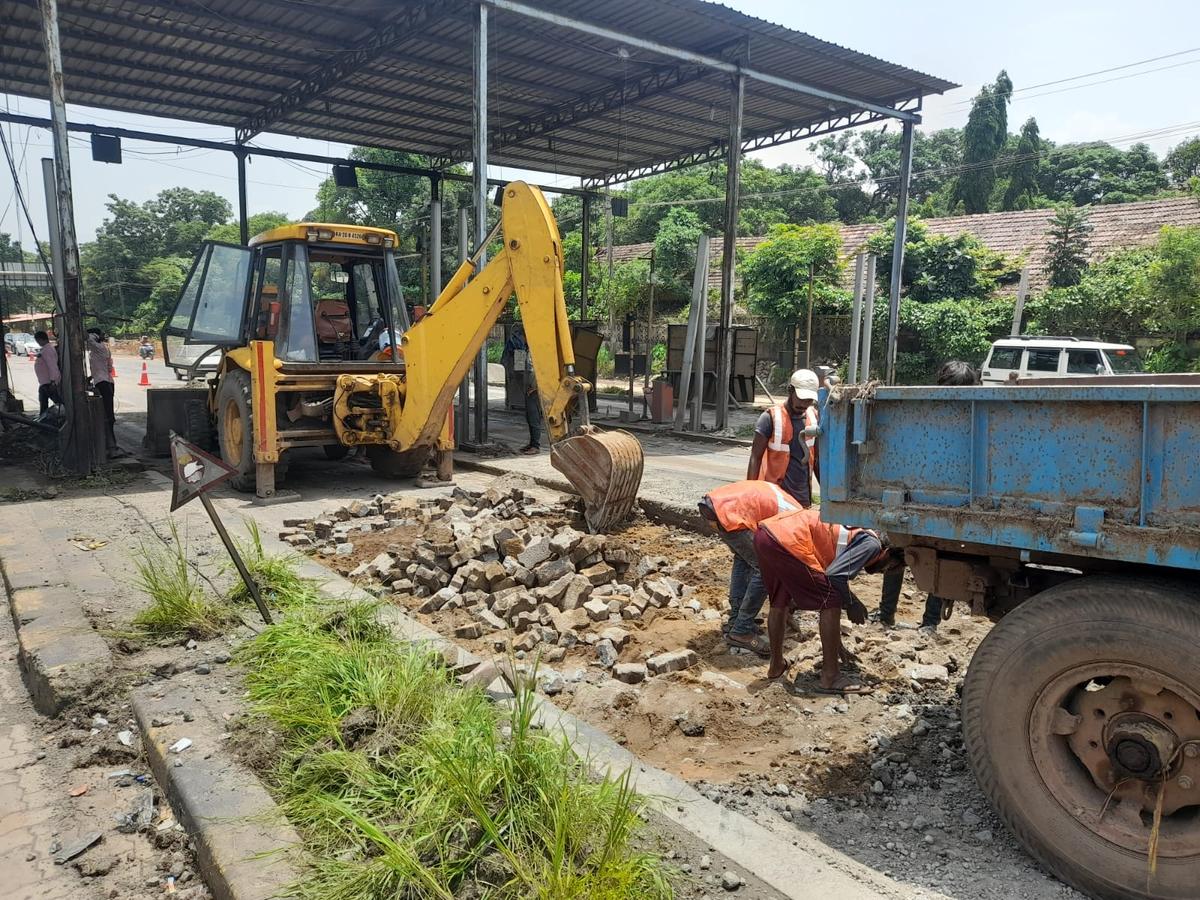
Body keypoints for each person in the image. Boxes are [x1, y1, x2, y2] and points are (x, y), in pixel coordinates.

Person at [877, 360, 980, 632]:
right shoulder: (925, 412)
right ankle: (887, 615)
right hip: (918, 498)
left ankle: (929, 622)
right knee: (898, 553)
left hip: (949, 504)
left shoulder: (975, 418)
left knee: (941, 562)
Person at [756, 508, 904, 693]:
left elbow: (833, 573)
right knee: (832, 599)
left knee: (780, 600)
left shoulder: (858, 532)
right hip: (789, 539)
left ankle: (776, 665)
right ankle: (831, 676)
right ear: (887, 552)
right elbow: (834, 577)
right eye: (890, 567)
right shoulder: (872, 545)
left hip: (766, 534)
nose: (884, 571)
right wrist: (852, 604)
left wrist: (837, 645)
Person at [698, 480, 800, 656]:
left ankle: (736, 621)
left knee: (744, 559)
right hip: (728, 514)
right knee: (767, 569)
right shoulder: (797, 523)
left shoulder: (794, 509)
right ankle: (741, 630)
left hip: (714, 506)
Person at [748, 369, 821, 507]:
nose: (804, 404)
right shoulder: (770, 418)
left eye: (809, 400)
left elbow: (817, 460)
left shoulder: (814, 418)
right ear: (790, 390)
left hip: (802, 499)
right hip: (775, 499)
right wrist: (749, 493)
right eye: (801, 399)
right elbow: (755, 457)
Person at [502, 323, 542, 454]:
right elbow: (520, 369)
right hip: (530, 386)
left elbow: (529, 370)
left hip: (534, 388)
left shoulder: (532, 349)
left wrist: (533, 387)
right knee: (530, 416)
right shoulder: (525, 348)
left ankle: (535, 446)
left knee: (533, 415)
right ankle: (532, 444)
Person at [87, 327, 121, 457]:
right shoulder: (101, 349)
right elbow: (107, 367)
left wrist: (90, 334)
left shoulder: (98, 347)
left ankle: (111, 446)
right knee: (107, 412)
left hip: (103, 382)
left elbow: (89, 339)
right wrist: (92, 376)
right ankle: (110, 443)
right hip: (105, 380)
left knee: (107, 414)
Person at [33, 331, 62, 414]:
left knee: (57, 402)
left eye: (37, 341)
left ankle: (64, 414)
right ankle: (43, 417)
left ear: (40, 339)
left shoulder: (48, 350)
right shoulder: (45, 349)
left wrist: (53, 381)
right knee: (43, 401)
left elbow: (52, 366)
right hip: (44, 382)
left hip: (49, 382)